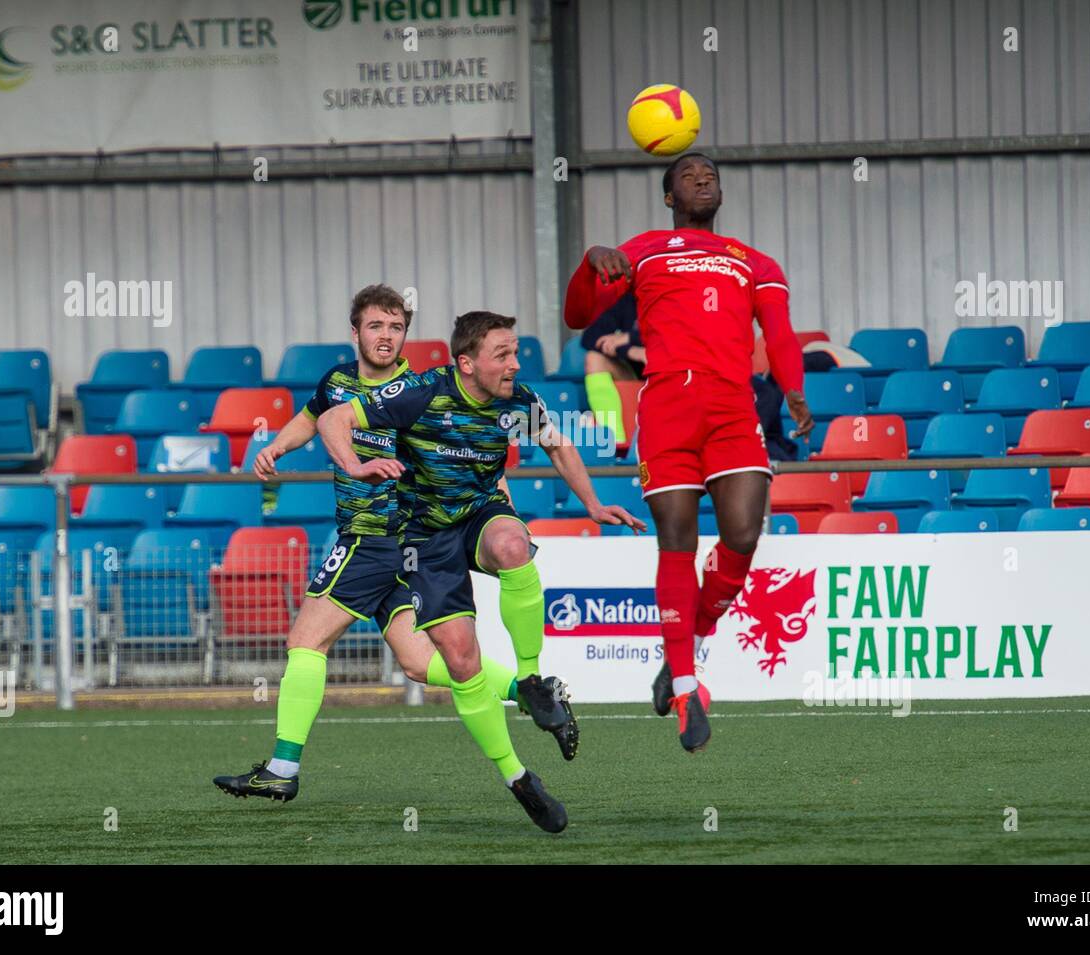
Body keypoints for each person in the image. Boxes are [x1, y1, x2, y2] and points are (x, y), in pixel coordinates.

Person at [212, 285, 567, 806]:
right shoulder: (337, 384)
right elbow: (313, 417)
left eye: (396, 327)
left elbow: (474, 456)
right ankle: (529, 692)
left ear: (406, 334)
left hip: (377, 535)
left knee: (306, 641)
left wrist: (497, 506)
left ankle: (283, 769)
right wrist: (275, 449)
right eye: (376, 326)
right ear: (355, 332)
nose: (386, 336)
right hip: (405, 548)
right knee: (423, 664)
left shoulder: (417, 389)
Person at [317, 311, 645, 832]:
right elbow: (332, 420)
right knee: (462, 662)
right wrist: (355, 465)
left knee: (515, 543)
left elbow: (557, 444)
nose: (515, 364)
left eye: (515, 353)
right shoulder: (421, 394)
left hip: (479, 515)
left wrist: (593, 504)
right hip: (423, 539)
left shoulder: (518, 400)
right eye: (503, 355)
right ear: (467, 364)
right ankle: (519, 780)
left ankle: (534, 680)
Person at [563, 151, 814, 753]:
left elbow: (777, 334)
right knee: (676, 539)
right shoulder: (645, 249)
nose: (703, 179)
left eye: (711, 174)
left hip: (732, 408)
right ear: (669, 196)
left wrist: (796, 388)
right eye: (687, 175)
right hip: (669, 409)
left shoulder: (755, 262)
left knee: (743, 534)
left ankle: (687, 644)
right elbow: (576, 316)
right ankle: (684, 685)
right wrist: (589, 262)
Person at [581, 292, 644, 443]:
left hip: (677, 374)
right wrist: (629, 350)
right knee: (594, 359)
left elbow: (679, 334)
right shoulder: (631, 299)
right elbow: (590, 337)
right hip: (637, 378)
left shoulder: (677, 297)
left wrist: (630, 338)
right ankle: (613, 439)